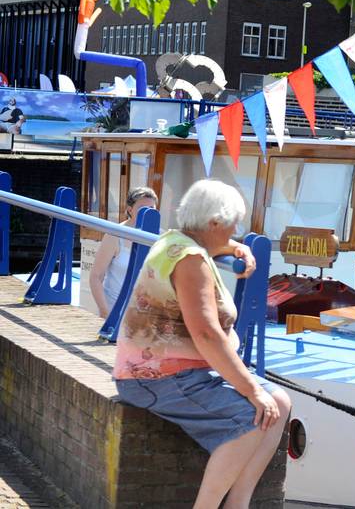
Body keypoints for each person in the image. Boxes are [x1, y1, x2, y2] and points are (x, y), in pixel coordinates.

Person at [112, 179, 291, 509]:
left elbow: (210, 245)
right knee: (250, 419)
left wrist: (238, 248)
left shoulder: (175, 241)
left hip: (175, 371)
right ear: (213, 223)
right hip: (157, 377)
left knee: (279, 402)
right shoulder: (191, 262)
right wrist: (252, 390)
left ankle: (238, 503)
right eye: (232, 224)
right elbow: (207, 335)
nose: (236, 229)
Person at [89, 186, 158, 318]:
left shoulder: (160, 237)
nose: (147, 213)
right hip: (116, 311)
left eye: (151, 209)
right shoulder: (115, 235)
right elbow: (96, 276)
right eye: (142, 208)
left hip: (146, 315)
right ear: (130, 210)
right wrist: (105, 312)